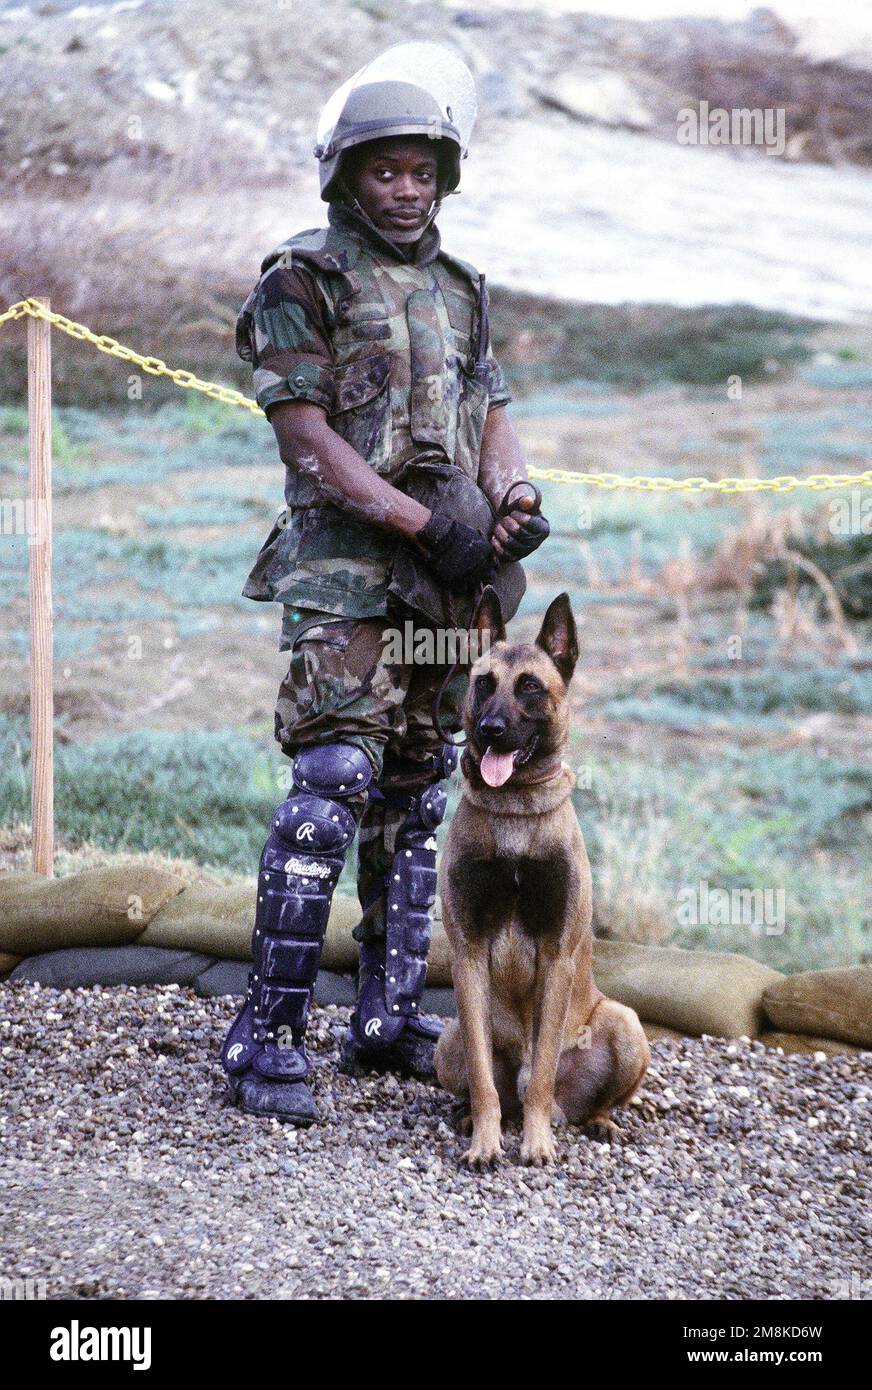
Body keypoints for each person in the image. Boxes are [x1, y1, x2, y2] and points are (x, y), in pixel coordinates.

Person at [220, 43, 550, 1123]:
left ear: (442, 178)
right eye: (384, 171)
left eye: (421, 171)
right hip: (348, 575)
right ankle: (262, 1035)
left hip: (448, 585)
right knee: (330, 787)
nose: (404, 190)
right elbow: (303, 434)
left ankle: (388, 1015)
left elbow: (491, 414)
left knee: (416, 801)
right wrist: (416, 522)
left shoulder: (462, 291)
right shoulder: (299, 276)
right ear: (345, 176)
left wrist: (512, 497)